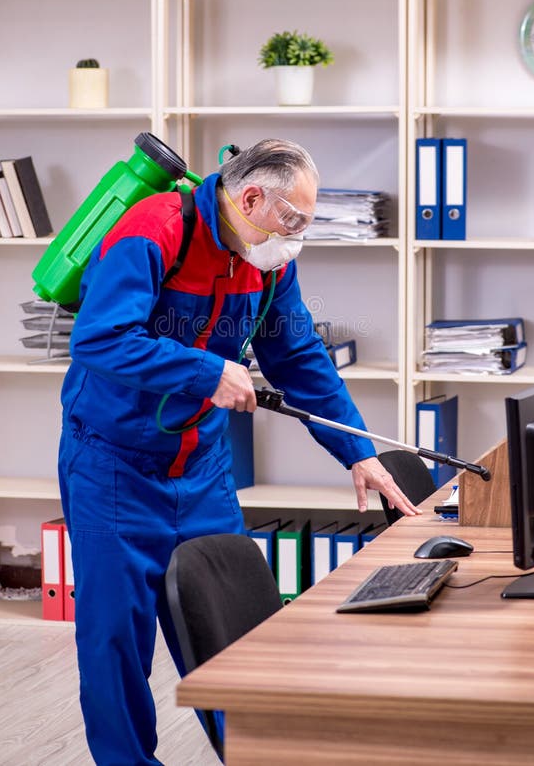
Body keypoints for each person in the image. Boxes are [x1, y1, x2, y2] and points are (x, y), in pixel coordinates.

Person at [58, 137, 421, 765]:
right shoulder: (155, 230)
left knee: (229, 630)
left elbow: (300, 358)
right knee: (116, 640)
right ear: (250, 198)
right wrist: (206, 372)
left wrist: (358, 452)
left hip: (199, 467)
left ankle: (255, 755)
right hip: (113, 465)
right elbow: (98, 339)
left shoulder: (269, 258)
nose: (299, 235)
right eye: (295, 220)